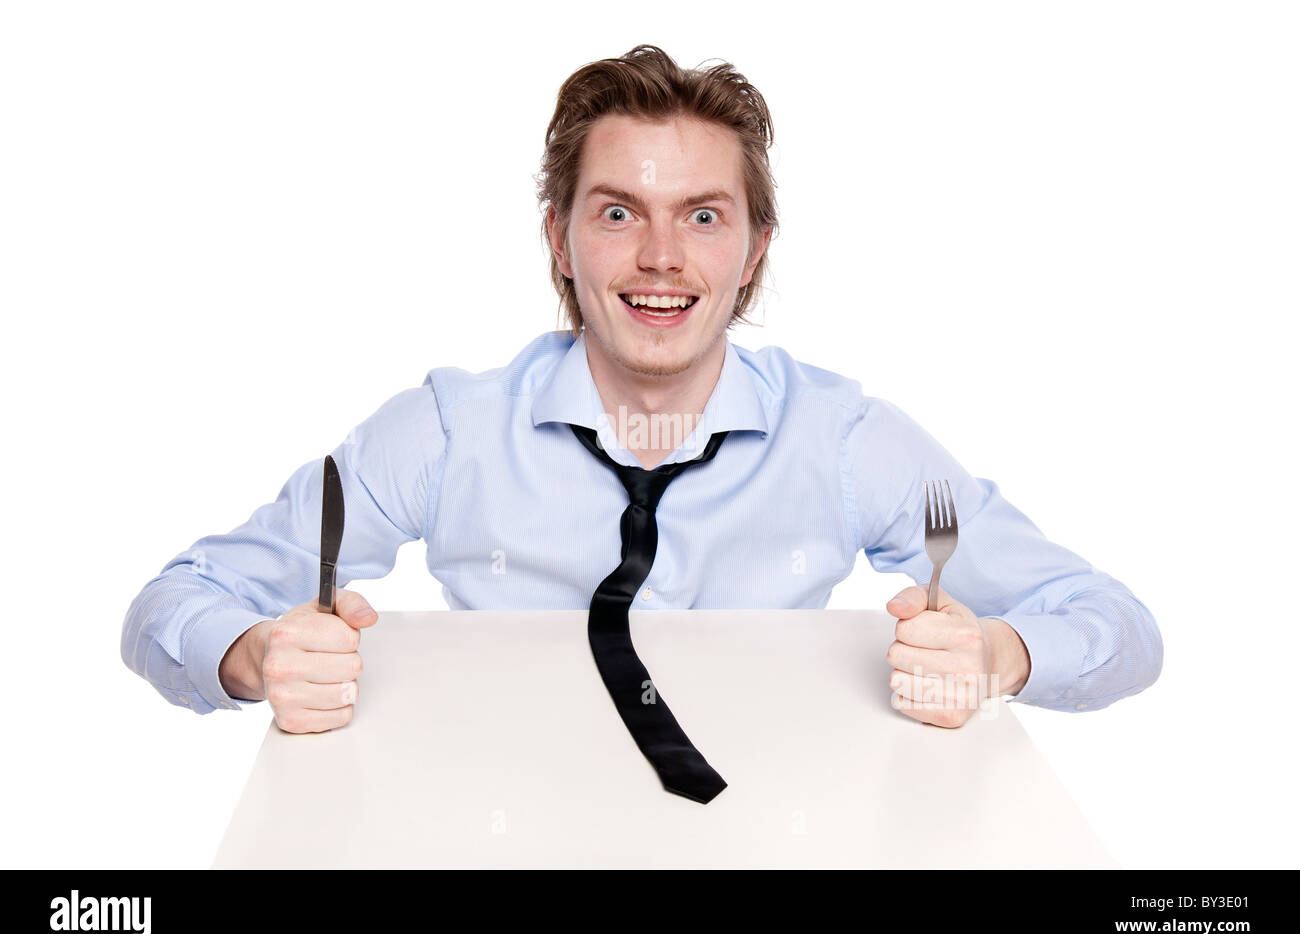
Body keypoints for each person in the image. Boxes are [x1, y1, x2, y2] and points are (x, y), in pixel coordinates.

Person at [122, 45, 1162, 737]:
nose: (661, 256)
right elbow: (171, 604)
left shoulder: (847, 441)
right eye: (618, 213)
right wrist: (252, 655)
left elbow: (1114, 625)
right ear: (560, 241)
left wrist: (1000, 651)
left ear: (754, 249)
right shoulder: (445, 433)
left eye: (704, 217)